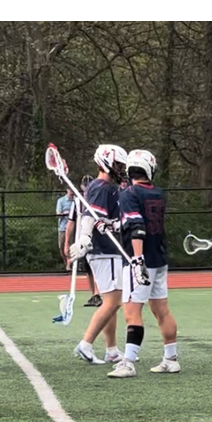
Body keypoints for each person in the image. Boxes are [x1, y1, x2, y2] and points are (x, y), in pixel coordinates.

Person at [109, 149, 179, 378]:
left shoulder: (129, 194)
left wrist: (137, 259)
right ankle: (171, 358)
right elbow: (138, 221)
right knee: (161, 309)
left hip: (140, 260)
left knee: (131, 310)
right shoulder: (158, 193)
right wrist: (112, 225)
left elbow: (137, 226)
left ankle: (127, 363)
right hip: (159, 257)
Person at [71, 144, 130, 364]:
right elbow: (90, 216)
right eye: (117, 164)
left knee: (111, 301)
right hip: (104, 250)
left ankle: (112, 349)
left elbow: (104, 219)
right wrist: (84, 238)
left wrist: (115, 224)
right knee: (114, 301)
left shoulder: (110, 187)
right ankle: (86, 344)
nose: (120, 168)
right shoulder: (102, 187)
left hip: (109, 249)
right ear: (104, 162)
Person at [65, 176, 101, 307]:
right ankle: (94, 294)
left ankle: (98, 293)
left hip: (96, 237)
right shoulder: (77, 202)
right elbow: (71, 222)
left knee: (95, 266)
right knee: (87, 267)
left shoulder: (97, 199)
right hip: (82, 238)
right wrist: (67, 243)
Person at [57, 187, 75, 270]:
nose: (72, 191)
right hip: (63, 227)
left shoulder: (76, 201)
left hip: (73, 228)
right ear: (67, 190)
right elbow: (58, 214)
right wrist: (65, 213)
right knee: (61, 246)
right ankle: (66, 263)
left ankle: (69, 265)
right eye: (70, 189)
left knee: (70, 246)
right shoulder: (61, 201)